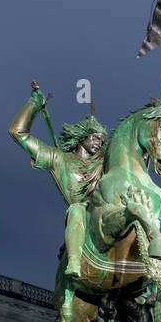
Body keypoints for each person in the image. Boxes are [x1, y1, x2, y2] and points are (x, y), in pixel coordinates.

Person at [9, 83, 108, 279]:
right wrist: (34, 104)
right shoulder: (57, 159)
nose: (99, 143)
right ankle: (74, 260)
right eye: (95, 138)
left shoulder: (105, 163)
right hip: (80, 215)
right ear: (82, 137)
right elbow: (17, 133)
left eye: (102, 141)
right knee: (77, 210)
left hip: (104, 214)